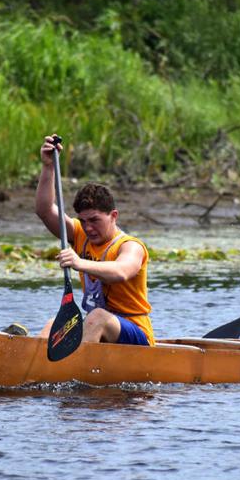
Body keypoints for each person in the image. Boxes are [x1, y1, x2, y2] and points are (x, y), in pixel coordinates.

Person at [32, 134, 154, 346]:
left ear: (113, 216)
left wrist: (79, 263)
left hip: (135, 333)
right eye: (83, 220)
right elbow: (44, 210)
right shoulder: (79, 234)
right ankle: (31, 369)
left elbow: (121, 272)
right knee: (55, 324)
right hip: (97, 328)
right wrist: (48, 167)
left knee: (96, 317)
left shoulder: (131, 247)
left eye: (95, 220)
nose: (88, 227)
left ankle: (75, 373)